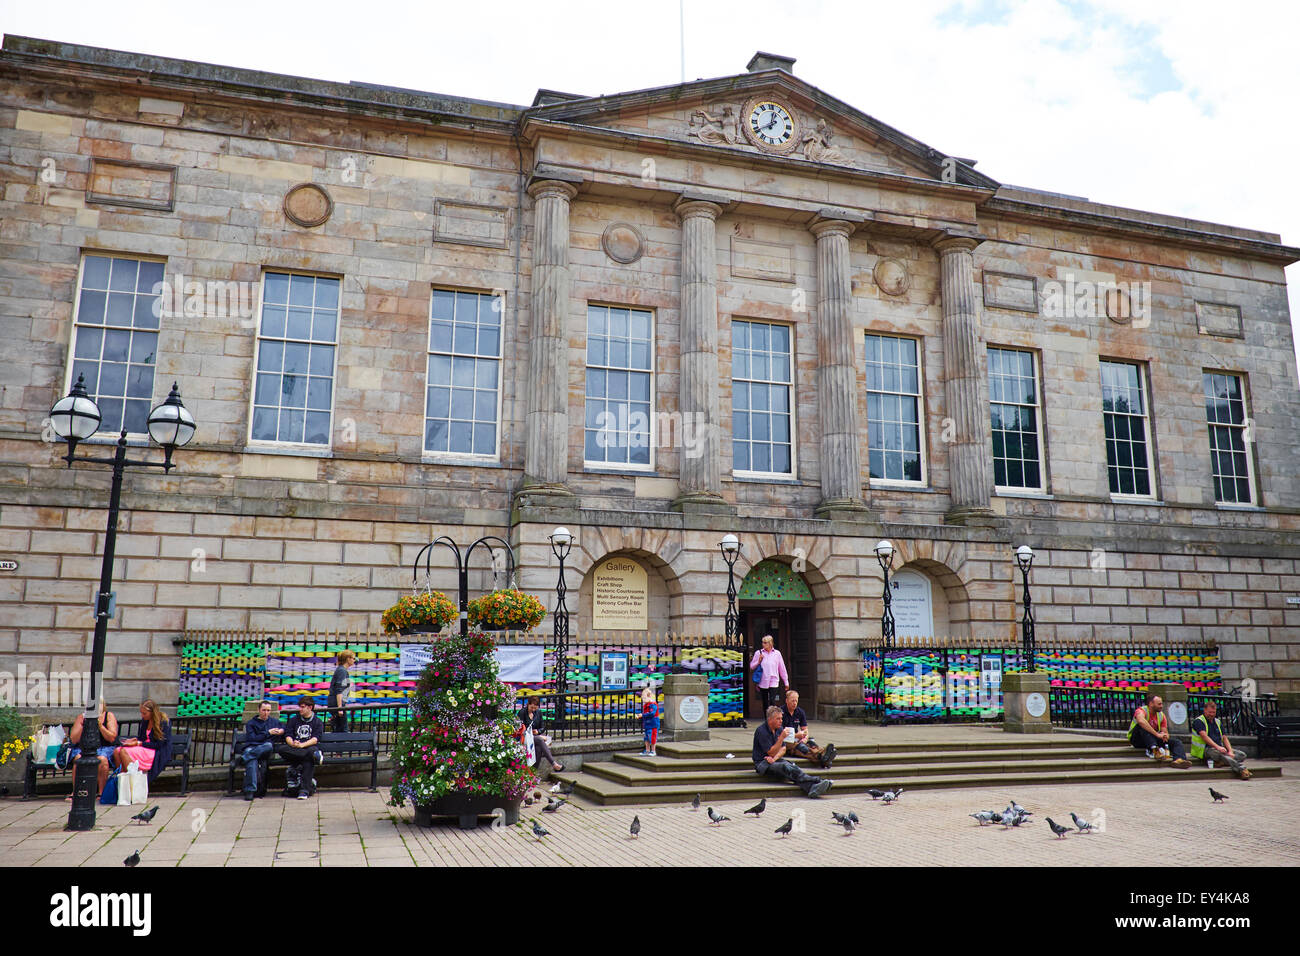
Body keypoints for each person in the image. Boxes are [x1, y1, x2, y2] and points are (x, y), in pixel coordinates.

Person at [753, 705, 832, 797]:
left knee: (793, 767)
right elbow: (771, 752)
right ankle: (817, 781)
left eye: (781, 718)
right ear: (770, 719)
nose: (781, 721)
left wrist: (774, 759)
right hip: (762, 763)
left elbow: (783, 749)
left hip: (775, 760)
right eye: (778, 719)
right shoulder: (761, 731)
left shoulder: (779, 729)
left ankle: (812, 787)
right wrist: (781, 738)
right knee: (786, 767)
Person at [65, 698, 118, 798]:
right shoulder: (82, 717)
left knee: (102, 760)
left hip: (104, 747)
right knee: (78, 759)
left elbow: (111, 738)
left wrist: (100, 726)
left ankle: (101, 792)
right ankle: (77, 791)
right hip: (85, 747)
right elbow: (74, 739)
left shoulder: (108, 716)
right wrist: (84, 724)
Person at [113, 700, 173, 782]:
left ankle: (133, 781)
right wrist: (134, 740)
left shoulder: (163, 722)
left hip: (156, 750)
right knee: (117, 751)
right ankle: (123, 781)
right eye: (141, 713)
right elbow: (142, 737)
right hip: (144, 747)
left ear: (152, 712)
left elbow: (159, 744)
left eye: (144, 713)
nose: (142, 715)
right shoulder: (145, 720)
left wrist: (139, 743)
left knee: (123, 751)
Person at [276, 696, 324, 799]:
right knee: (281, 749)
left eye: (303, 707)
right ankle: (304, 791)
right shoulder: (294, 720)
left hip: (308, 747)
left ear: (310, 708)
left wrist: (302, 745)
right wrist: (292, 743)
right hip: (294, 749)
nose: (300, 709)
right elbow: (288, 735)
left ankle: (304, 791)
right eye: (300, 707)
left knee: (310, 755)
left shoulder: (317, 722)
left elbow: (315, 739)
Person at [1191, 699, 1251, 779]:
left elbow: (1224, 738)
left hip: (1219, 748)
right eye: (1209, 712)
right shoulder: (1199, 721)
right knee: (1221, 754)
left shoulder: (1218, 722)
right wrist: (1218, 747)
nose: (1212, 714)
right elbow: (1204, 736)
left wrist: (1230, 751)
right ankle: (1241, 769)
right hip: (1204, 750)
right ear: (1204, 710)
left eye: (1213, 712)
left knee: (1242, 755)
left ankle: (1221, 762)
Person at [1127, 693, 1191, 768]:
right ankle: (1154, 750)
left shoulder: (1161, 715)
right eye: (1159, 704)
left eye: (1162, 704)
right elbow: (1141, 721)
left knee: (1177, 742)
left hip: (1152, 738)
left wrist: (1165, 736)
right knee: (1142, 727)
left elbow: (1164, 731)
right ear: (1151, 704)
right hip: (1137, 740)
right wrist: (1157, 734)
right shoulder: (1141, 710)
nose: (1161, 706)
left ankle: (1178, 760)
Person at [239, 701, 285, 800]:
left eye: (268, 710)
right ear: (258, 710)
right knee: (252, 760)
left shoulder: (274, 722)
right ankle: (250, 791)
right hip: (253, 747)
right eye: (264, 710)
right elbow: (253, 739)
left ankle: (244, 758)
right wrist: (268, 733)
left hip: (265, 749)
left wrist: (281, 731)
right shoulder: (251, 723)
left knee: (268, 745)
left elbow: (283, 728)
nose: (266, 713)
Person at [781, 690, 836, 768]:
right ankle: (823, 757)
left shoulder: (800, 712)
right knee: (802, 748)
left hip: (797, 739)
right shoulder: (780, 713)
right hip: (785, 741)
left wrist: (805, 738)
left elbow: (805, 730)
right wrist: (796, 735)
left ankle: (823, 757)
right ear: (786, 701)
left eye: (796, 701)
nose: (794, 703)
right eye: (792, 701)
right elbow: (780, 734)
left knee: (811, 743)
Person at [519, 696, 563, 772]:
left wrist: (538, 731)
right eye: (531, 708)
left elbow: (542, 727)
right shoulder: (522, 712)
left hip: (535, 736)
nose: (533, 710)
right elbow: (519, 728)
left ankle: (533, 772)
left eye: (535, 708)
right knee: (540, 739)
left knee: (539, 748)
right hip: (524, 737)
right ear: (528, 705)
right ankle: (553, 763)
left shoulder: (538, 712)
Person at [750, 634, 789, 712]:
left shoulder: (777, 653)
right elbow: (752, 666)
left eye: (765, 642)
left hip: (774, 680)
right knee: (765, 702)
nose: (763, 644)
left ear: (770, 643)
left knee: (772, 701)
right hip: (763, 681)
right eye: (762, 642)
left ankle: (772, 719)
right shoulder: (759, 653)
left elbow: (782, 668)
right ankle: (767, 720)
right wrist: (759, 661)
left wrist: (786, 682)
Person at [327, 650, 355, 734]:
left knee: (338, 730)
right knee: (343, 730)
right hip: (337, 704)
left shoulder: (341, 670)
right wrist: (340, 708)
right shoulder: (342, 671)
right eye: (353, 658)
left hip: (337, 704)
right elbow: (339, 690)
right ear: (348, 659)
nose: (354, 660)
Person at [640, 685, 660, 756]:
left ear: (649, 696)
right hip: (647, 724)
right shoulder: (646, 705)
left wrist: (643, 715)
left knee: (652, 737)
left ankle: (653, 750)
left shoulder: (652, 705)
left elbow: (652, 714)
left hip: (653, 724)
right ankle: (647, 750)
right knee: (646, 738)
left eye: (644, 698)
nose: (643, 699)